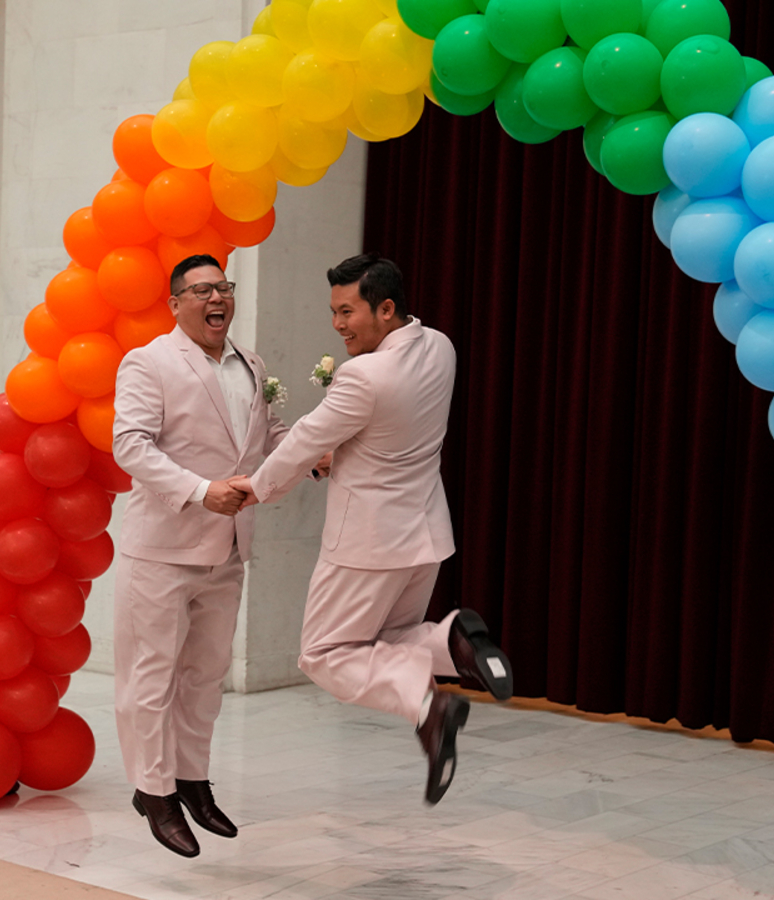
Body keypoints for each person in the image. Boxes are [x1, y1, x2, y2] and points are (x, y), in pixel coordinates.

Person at [230, 254, 513, 806]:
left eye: (346, 311)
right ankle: (452, 642)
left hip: (366, 544)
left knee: (325, 655)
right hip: (425, 538)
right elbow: (386, 436)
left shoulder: (364, 375)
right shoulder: (441, 347)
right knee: (387, 641)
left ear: (385, 309)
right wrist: (340, 456)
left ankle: (429, 705)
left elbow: (306, 439)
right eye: (333, 312)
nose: (337, 325)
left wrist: (256, 488)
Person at [110, 254, 306, 857]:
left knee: (205, 675)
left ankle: (192, 780)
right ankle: (154, 792)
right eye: (201, 290)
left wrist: (313, 454)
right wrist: (200, 491)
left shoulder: (252, 364)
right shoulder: (149, 361)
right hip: (163, 549)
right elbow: (129, 445)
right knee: (151, 675)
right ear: (175, 304)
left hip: (229, 546)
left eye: (224, 287)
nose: (217, 298)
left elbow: (269, 435)